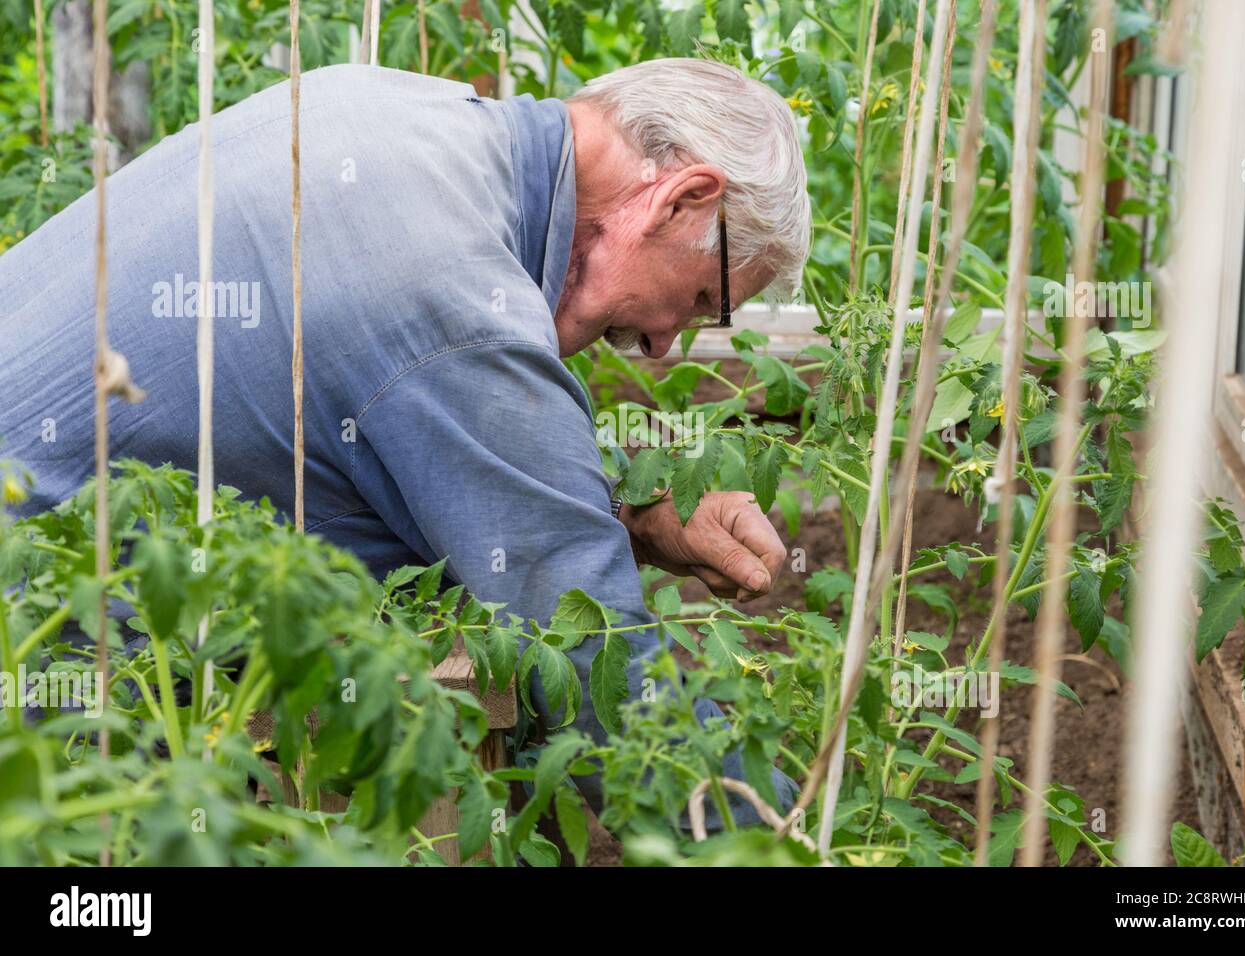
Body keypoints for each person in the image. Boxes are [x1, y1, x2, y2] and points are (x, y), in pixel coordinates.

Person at [0, 58, 812, 823]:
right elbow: (598, 666)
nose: (667, 342)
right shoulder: (454, 295)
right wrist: (781, 840)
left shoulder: (392, 113)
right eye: (704, 298)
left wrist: (633, 512)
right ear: (681, 199)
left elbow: (421, 427)